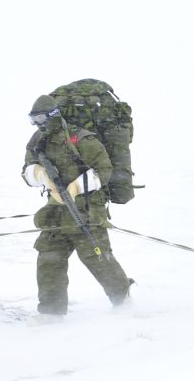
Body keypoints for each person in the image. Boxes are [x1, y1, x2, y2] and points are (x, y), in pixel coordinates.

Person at [22, 94, 132, 318]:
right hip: (55, 213)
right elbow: (26, 172)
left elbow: (104, 169)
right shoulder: (37, 141)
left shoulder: (81, 139)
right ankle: (51, 313)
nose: (37, 124)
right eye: (33, 119)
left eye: (41, 118)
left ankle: (123, 300)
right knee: (49, 258)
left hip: (87, 211)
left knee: (97, 257)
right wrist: (41, 175)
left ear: (53, 115)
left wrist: (75, 188)